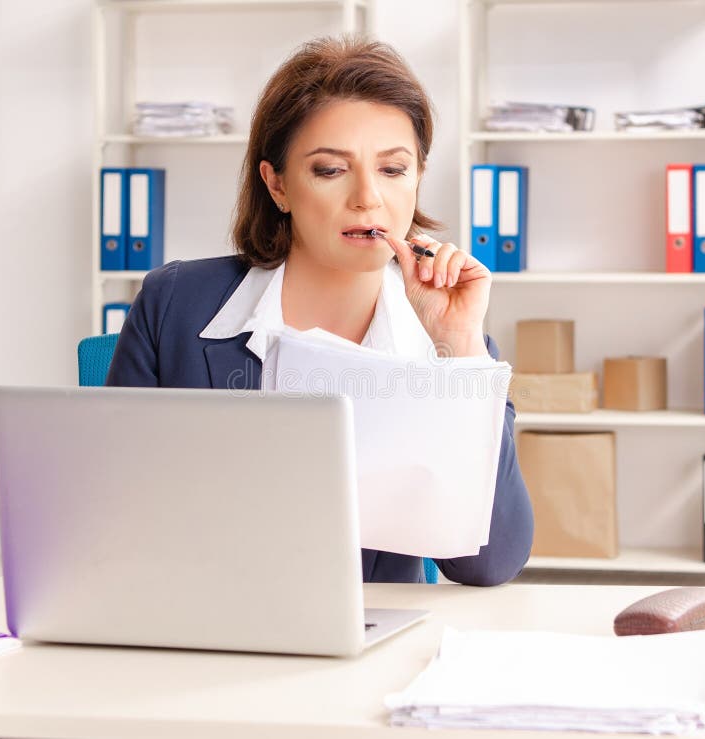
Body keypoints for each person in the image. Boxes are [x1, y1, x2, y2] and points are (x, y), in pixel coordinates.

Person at [107, 36, 533, 586]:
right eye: (331, 170)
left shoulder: (448, 345)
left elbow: (489, 564)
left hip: (370, 647)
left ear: (419, 176)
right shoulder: (174, 305)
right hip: (201, 630)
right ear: (277, 183)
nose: (367, 198)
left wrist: (461, 349)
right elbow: (115, 517)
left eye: (393, 169)